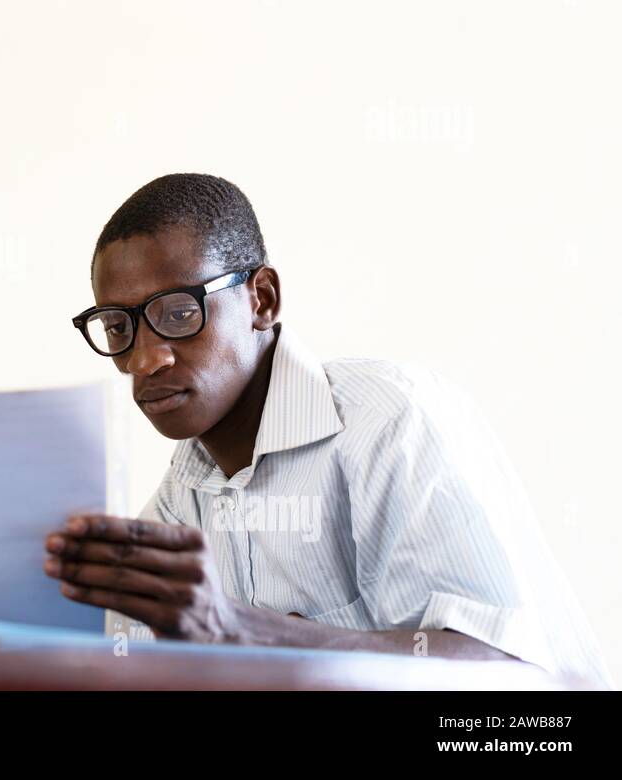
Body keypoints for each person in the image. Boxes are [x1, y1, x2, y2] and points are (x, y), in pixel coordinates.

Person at [47, 172, 611, 688]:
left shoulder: (390, 422)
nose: (144, 361)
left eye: (178, 313)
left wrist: (245, 632)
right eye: (117, 327)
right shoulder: (170, 516)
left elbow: (510, 676)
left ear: (261, 300)